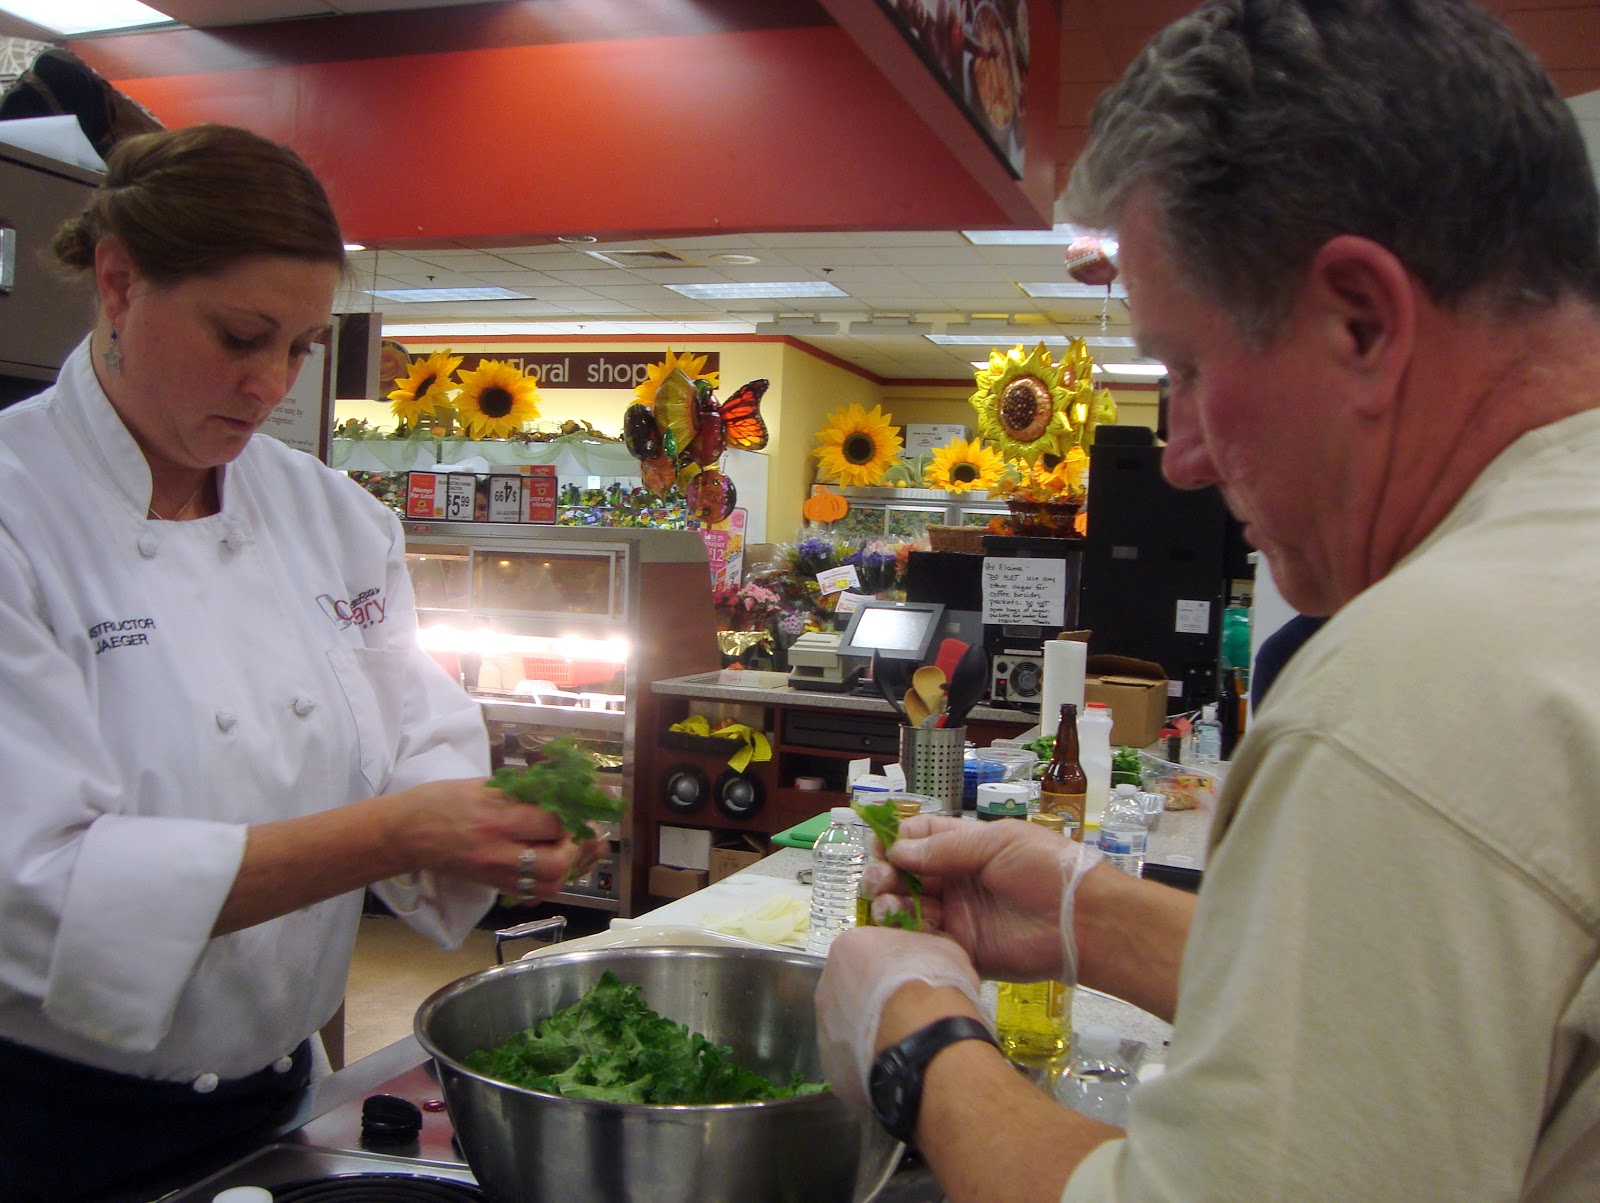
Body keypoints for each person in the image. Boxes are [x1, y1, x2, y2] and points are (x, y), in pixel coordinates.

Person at [815, 2, 1600, 1200]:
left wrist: (916, 1035)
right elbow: (1424, 1017)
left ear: (1361, 322)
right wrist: (1095, 917)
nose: (1177, 455)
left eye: (1183, 369)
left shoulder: (1422, 683)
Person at [0, 124, 600, 1202]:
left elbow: (419, 737)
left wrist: (491, 831)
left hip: (276, 1105)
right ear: (119, 282)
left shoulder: (330, 516)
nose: (268, 383)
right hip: (40, 1122)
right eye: (241, 336)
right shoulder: (15, 513)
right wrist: (394, 833)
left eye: (302, 347)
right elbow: (35, 885)